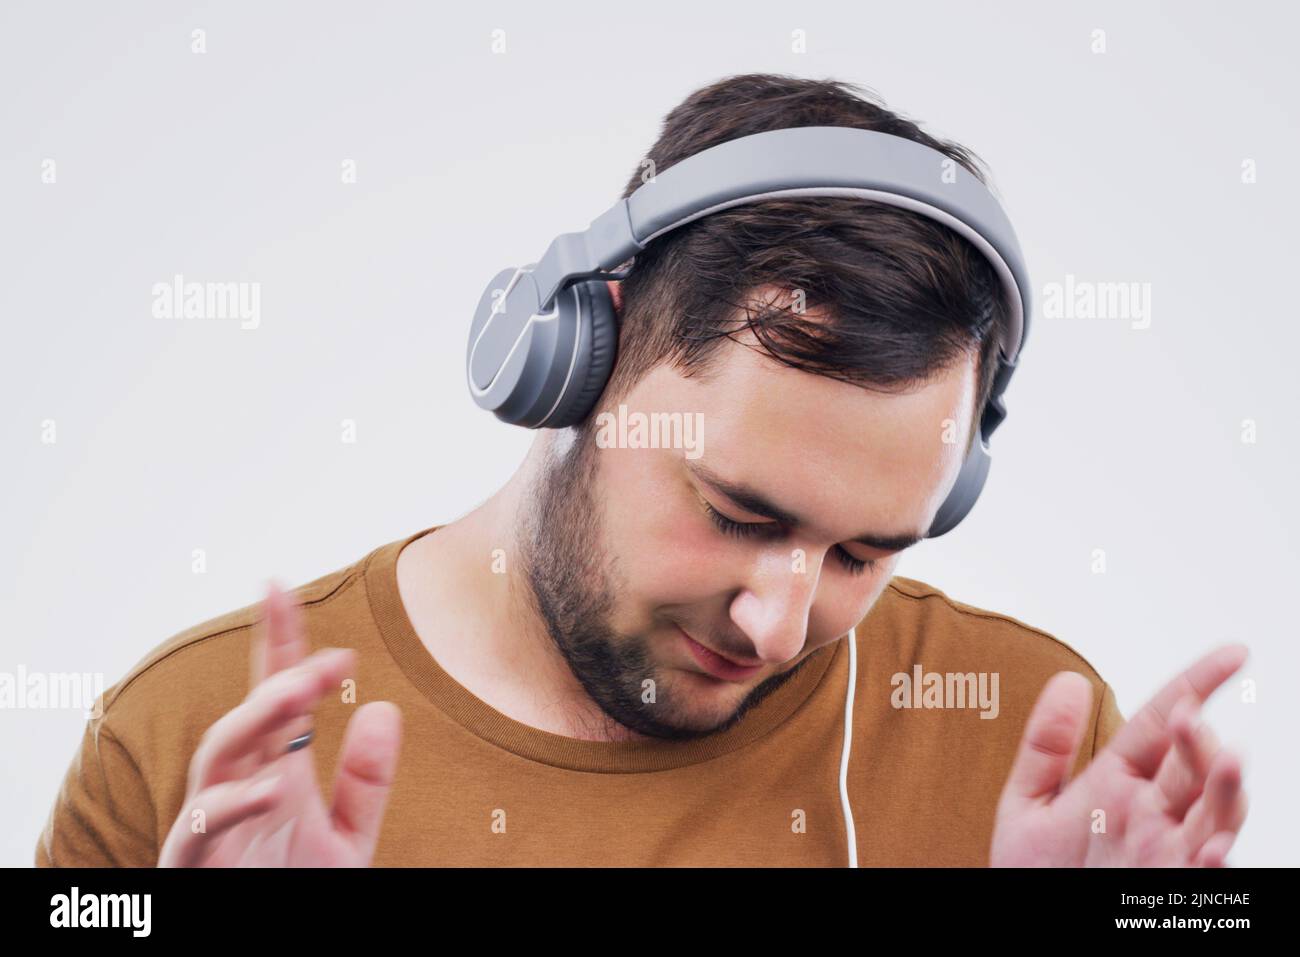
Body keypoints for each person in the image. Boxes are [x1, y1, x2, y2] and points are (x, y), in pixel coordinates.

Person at [36, 73, 1248, 868]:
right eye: (735, 512)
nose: (777, 623)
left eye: (864, 552)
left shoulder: (1041, 742)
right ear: (580, 362)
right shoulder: (190, 743)